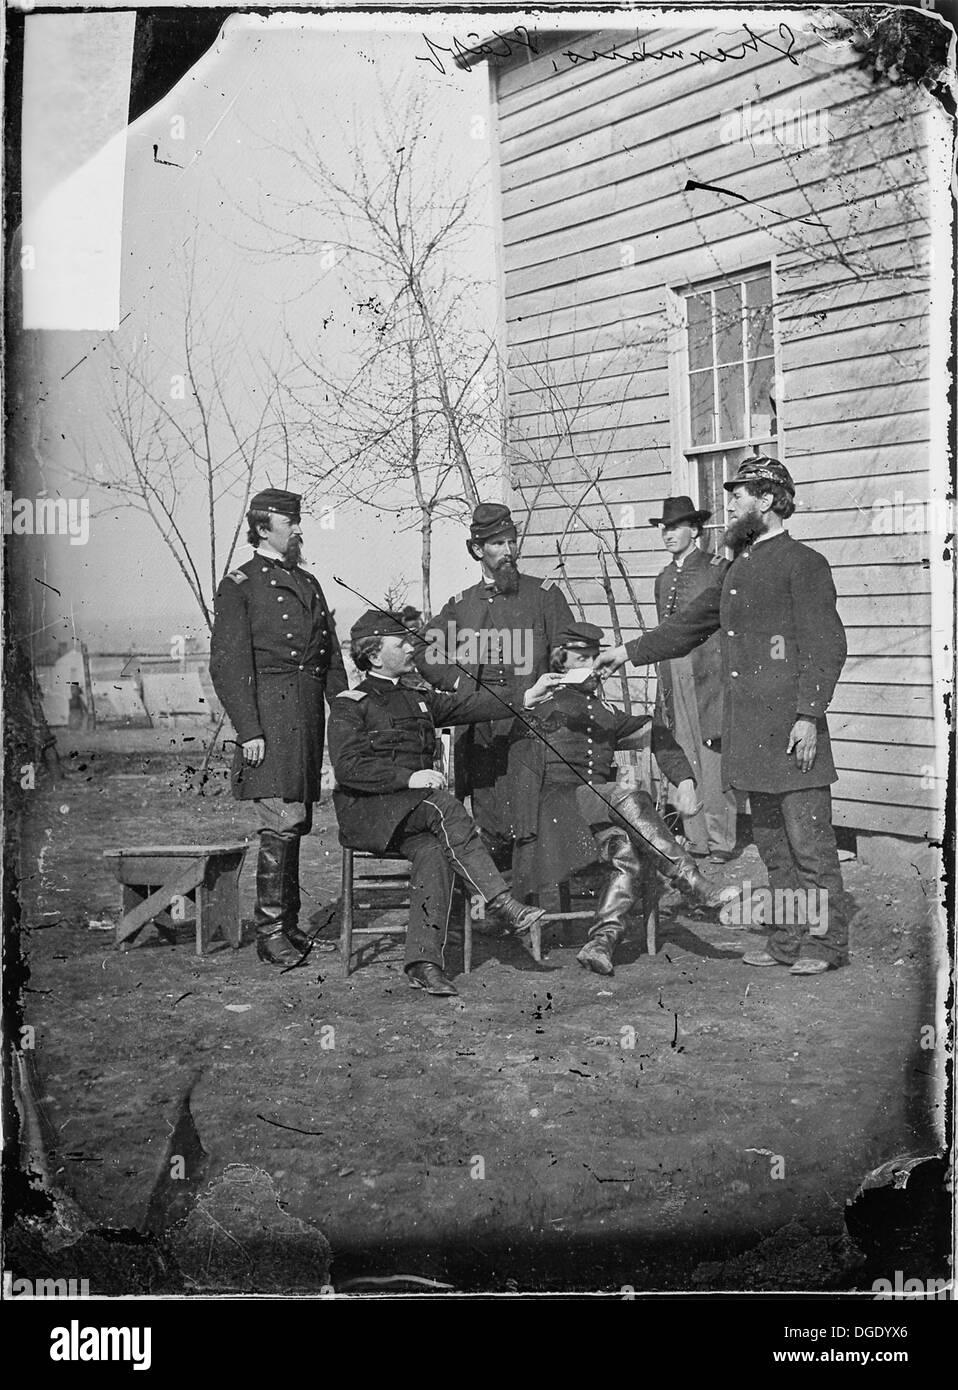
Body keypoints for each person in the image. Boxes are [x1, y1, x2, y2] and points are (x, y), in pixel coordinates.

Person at [595, 458, 849, 976]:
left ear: (771, 500)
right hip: (753, 734)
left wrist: (808, 715)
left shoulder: (804, 563)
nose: (731, 502)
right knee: (776, 849)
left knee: (811, 846)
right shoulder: (739, 567)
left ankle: (825, 946)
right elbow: (689, 625)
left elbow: (828, 646)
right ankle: (786, 942)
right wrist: (628, 651)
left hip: (793, 731)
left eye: (741, 494)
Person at [328, 611, 559, 997]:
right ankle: (501, 902)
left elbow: (470, 706)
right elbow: (348, 767)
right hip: (368, 813)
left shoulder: (417, 697)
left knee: (435, 851)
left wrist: (524, 697)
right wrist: (408, 778)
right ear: (373, 656)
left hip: (412, 814)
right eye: (399, 642)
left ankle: (424, 964)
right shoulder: (352, 704)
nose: (409, 646)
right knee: (443, 805)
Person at [510, 622, 739, 976]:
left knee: (626, 848)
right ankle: (691, 882)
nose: (593, 666)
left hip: (593, 813)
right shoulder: (540, 703)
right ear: (560, 663)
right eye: (581, 658)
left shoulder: (606, 712)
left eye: (595, 658)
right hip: (552, 810)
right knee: (626, 794)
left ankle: (600, 942)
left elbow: (654, 730)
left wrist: (686, 780)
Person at [210, 488, 347, 966]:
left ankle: (288, 926)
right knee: (281, 819)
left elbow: (329, 659)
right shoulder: (239, 585)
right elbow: (227, 666)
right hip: (269, 718)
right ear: (263, 528)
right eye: (290, 523)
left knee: (297, 820)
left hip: (306, 715)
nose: (299, 530)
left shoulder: (308, 582)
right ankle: (271, 934)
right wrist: (249, 730)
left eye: (298, 521)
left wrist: (346, 710)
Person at [414, 502, 574, 854]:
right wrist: (458, 683)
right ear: (477, 550)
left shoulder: (544, 596)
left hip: (530, 728)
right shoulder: (463, 605)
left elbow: (569, 653)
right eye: (497, 544)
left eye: (511, 541)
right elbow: (422, 649)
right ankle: (499, 903)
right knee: (490, 823)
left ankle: (531, 900)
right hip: (480, 731)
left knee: (531, 826)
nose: (508, 551)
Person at [651, 496, 738, 863]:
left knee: (712, 754)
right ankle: (696, 837)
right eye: (665, 528)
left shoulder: (718, 569)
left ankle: (721, 841)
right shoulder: (663, 578)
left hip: (709, 673)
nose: (668, 534)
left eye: (676, 527)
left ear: (695, 530)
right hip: (673, 671)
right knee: (683, 749)